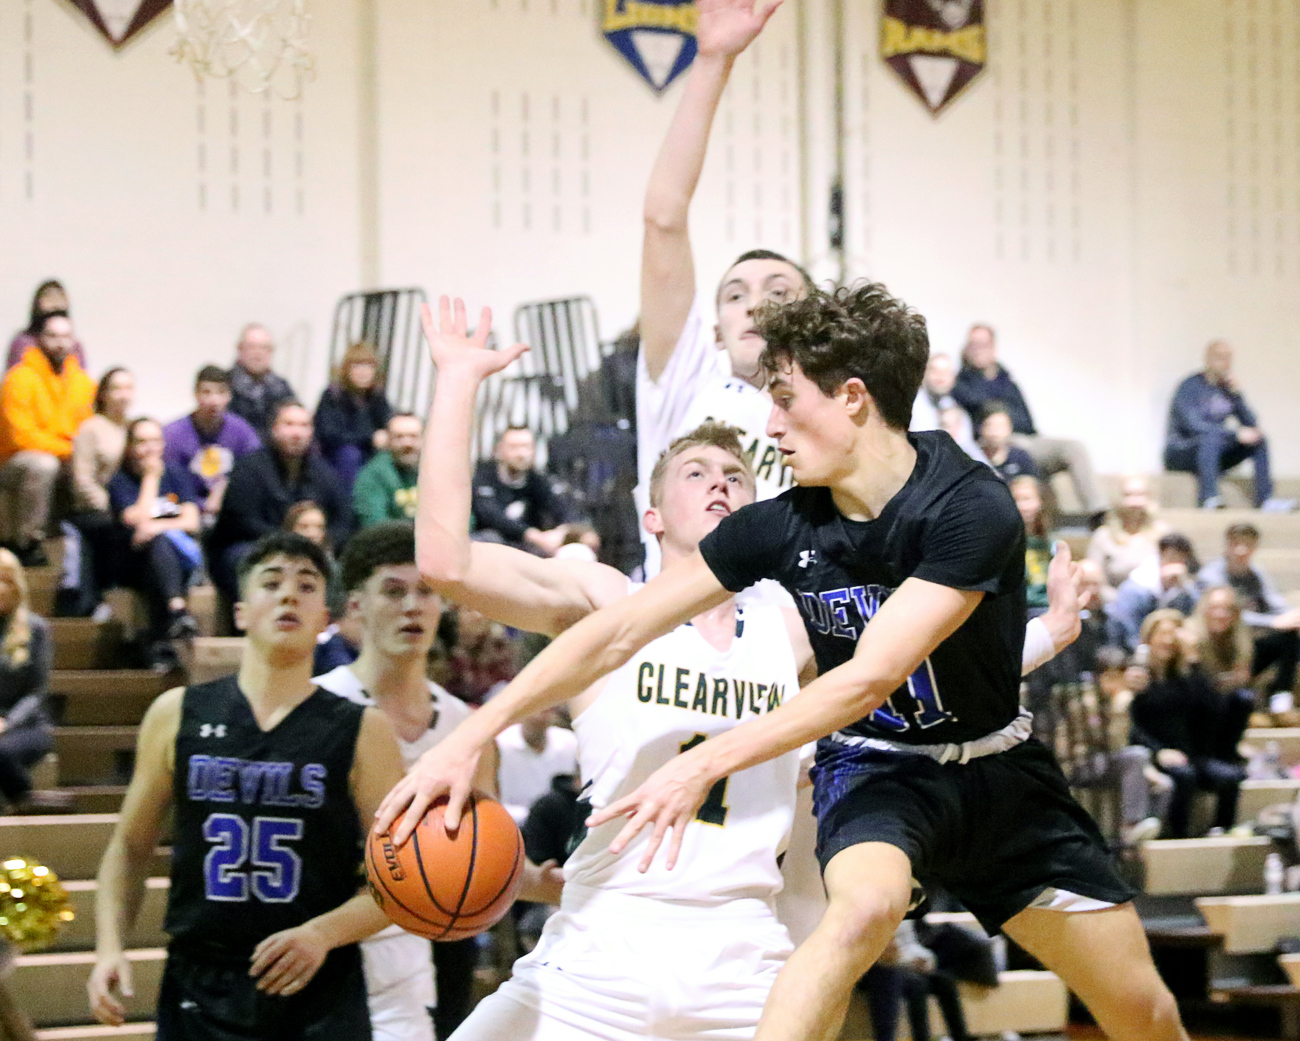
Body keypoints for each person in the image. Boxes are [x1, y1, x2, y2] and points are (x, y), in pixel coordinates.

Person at [379, 285, 1173, 1041]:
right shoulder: (625, 589)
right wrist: (467, 735)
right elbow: (473, 573)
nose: (732, 474)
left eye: (738, 473)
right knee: (861, 910)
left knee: (1139, 1002)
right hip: (620, 933)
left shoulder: (802, 608)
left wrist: (1041, 637)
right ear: (649, 515)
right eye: (697, 472)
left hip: (755, 932)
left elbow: (890, 665)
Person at [86, 531, 405, 1038]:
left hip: (318, 983)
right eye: (271, 583)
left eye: (307, 585)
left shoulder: (364, 731)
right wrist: (108, 947)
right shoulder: (177, 714)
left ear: (325, 620)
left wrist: (322, 933)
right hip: (201, 983)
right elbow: (129, 846)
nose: (288, 595)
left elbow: (400, 882)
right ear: (239, 613)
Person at [313, 522, 522, 1041]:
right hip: (325, 952)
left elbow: (479, 857)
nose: (412, 606)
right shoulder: (313, 710)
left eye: (426, 592)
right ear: (355, 605)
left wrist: (536, 880)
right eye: (393, 591)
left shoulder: (470, 730)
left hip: (428, 962)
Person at [634, 0, 803, 576]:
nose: (757, 303)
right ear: (714, 328)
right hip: (667, 628)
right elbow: (663, 217)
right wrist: (712, 63)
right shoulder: (691, 378)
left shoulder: (838, 413)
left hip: (782, 644)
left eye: (780, 293)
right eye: (736, 294)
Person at [953, 324, 1106, 519]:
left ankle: (1099, 513)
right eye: (974, 344)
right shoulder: (962, 382)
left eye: (984, 344)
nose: (979, 349)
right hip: (999, 442)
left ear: (993, 347)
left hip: (1028, 438)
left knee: (1074, 447)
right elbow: (983, 412)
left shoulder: (1006, 379)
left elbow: (1025, 418)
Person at [208, 400, 350, 606]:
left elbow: (343, 520)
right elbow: (241, 522)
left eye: (304, 426)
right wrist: (289, 542)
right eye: (289, 424)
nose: (297, 433)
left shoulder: (324, 472)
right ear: (274, 429)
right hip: (256, 548)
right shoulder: (249, 468)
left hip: (310, 549)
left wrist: (324, 540)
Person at [1128, 610, 1248, 839]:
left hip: (1189, 754)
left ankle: (1221, 831)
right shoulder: (1139, 676)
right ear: (1149, 638)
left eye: (1174, 634)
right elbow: (1133, 727)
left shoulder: (1183, 675)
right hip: (1154, 754)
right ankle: (1178, 836)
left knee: (1232, 776)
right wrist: (1158, 751)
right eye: (1162, 634)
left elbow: (1214, 710)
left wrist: (1193, 660)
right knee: (1184, 776)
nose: (1168, 640)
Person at [106, 418, 203, 670]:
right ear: (130, 447)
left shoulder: (177, 473)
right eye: (141, 442)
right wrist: (151, 479)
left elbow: (192, 521)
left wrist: (157, 526)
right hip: (132, 562)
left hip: (177, 559)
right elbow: (136, 522)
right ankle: (176, 614)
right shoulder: (119, 480)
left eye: (155, 441)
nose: (150, 448)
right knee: (156, 548)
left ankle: (165, 636)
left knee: (160, 544)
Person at [0, 311, 96, 565]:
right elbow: (22, 437)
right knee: (44, 464)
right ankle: (27, 542)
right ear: (39, 339)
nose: (60, 343)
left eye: (66, 336)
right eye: (53, 336)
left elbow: (89, 429)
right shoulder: (19, 378)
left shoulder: (83, 383)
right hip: (16, 462)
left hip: (67, 455)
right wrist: (68, 451)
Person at [1164, 340, 1294, 512]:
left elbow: (1251, 424)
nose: (1224, 363)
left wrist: (1238, 395)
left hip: (1213, 454)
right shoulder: (1190, 386)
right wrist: (1234, 435)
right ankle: (1209, 497)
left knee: (1258, 439)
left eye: (1228, 358)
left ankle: (1265, 500)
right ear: (1208, 359)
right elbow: (1193, 425)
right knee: (1210, 438)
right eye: (1219, 357)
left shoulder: (1227, 390)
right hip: (1181, 453)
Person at [1199, 522, 1300, 696]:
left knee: (1290, 637)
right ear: (1227, 545)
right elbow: (1226, 614)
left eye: (1248, 545)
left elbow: (1274, 602)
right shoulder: (1210, 576)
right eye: (1236, 544)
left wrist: (1294, 614)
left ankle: (1280, 696)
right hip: (1221, 643)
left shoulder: (1257, 573)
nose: (1241, 550)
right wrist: (1273, 622)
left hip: (1249, 640)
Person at [64, 367, 134, 616]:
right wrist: (112, 505)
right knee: (111, 527)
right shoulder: (90, 428)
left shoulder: (134, 428)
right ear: (103, 394)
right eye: (117, 388)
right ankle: (100, 597)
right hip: (94, 509)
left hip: (128, 505)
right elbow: (82, 481)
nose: (123, 395)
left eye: (128, 388)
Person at [163, 366, 261, 525]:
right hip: (182, 513)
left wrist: (226, 492)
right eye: (206, 392)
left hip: (229, 515)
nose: (213, 400)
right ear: (195, 394)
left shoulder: (243, 432)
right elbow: (166, 488)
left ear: (229, 395)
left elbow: (255, 474)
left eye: (221, 392)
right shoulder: (173, 435)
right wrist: (196, 506)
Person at [0, 548, 54, 808]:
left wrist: (7, 722)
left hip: (27, 725)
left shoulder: (36, 629)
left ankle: (25, 800)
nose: (0, 588)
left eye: (6, 580)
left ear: (17, 585)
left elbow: (36, 692)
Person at [471, 425, 571, 554]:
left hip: (529, 550)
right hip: (492, 546)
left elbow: (563, 509)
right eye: (514, 447)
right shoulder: (484, 477)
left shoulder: (538, 480)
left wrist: (563, 532)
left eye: (526, 447)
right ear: (499, 450)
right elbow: (489, 515)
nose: (521, 454)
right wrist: (532, 535)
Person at [314, 343, 393, 497]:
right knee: (349, 454)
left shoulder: (377, 397)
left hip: (369, 454)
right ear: (347, 369)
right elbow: (329, 434)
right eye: (357, 366)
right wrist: (370, 438)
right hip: (336, 457)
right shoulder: (332, 396)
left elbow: (388, 424)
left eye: (368, 366)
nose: (363, 372)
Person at [1105, 533, 1201, 655]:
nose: (1176, 565)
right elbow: (1128, 631)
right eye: (1171, 558)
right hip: (1135, 652)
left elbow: (1197, 614)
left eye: (1181, 559)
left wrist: (1186, 586)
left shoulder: (1186, 589)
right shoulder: (1134, 589)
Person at [1086, 476, 1168, 603]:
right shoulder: (1103, 536)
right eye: (1128, 495)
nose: (1135, 501)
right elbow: (1094, 578)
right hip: (1116, 603)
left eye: (1141, 495)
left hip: (1157, 600)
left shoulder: (1163, 533)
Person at [496, 708, 578, 826]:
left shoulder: (568, 742)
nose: (539, 716)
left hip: (558, 822)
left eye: (546, 711)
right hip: (513, 822)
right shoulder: (501, 744)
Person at [228, 324, 297, 442]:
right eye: (252, 347)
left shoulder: (281, 387)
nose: (258, 353)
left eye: (264, 348)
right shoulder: (225, 384)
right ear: (240, 349)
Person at [352, 413, 422, 529]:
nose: (407, 444)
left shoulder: (437, 473)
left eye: (413, 436)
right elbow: (376, 524)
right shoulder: (373, 476)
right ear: (388, 440)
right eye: (399, 437)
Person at [909, 353, 982, 462]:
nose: (940, 376)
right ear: (923, 374)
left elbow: (968, 446)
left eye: (946, 372)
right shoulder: (908, 406)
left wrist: (991, 474)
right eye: (935, 370)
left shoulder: (956, 410)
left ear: (953, 378)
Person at [6, 280, 87, 371]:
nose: (55, 305)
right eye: (49, 299)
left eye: (58, 299)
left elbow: (81, 378)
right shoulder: (23, 342)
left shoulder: (75, 346)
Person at [1010, 475, 1053, 615]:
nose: (1022, 506)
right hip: (1022, 609)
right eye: (1016, 500)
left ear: (1040, 502)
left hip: (1049, 605)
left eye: (1027, 499)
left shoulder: (1049, 541)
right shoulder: (1005, 543)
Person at [977, 405, 1038, 483]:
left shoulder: (1020, 457)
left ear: (1010, 428)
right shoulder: (973, 459)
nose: (995, 432)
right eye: (989, 425)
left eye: (1000, 426)